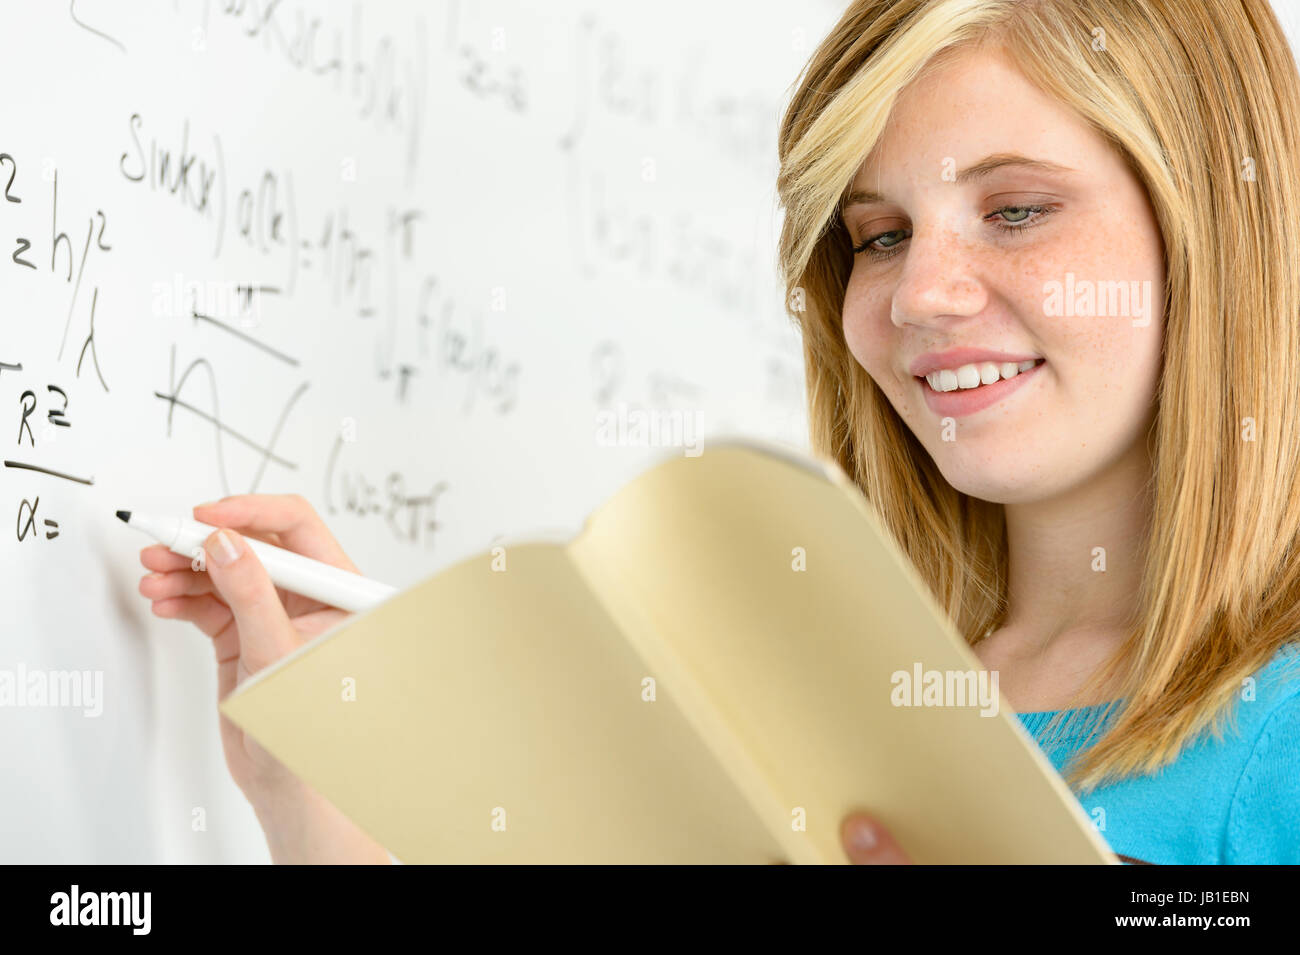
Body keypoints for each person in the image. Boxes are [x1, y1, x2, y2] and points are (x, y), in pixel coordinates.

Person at [137, 0, 1300, 864]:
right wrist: (332, 806)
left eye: (1015, 210)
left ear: (1219, 227)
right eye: (879, 233)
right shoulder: (818, 704)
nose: (916, 295)